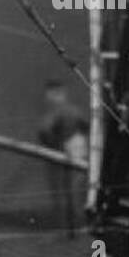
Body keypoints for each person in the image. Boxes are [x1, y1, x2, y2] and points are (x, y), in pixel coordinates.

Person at [38, 80, 87, 237]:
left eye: (53, 94)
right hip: (71, 155)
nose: (50, 97)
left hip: (64, 156)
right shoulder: (72, 111)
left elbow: (44, 133)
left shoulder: (58, 112)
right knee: (72, 192)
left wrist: (61, 145)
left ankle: (70, 228)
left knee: (67, 192)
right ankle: (73, 227)